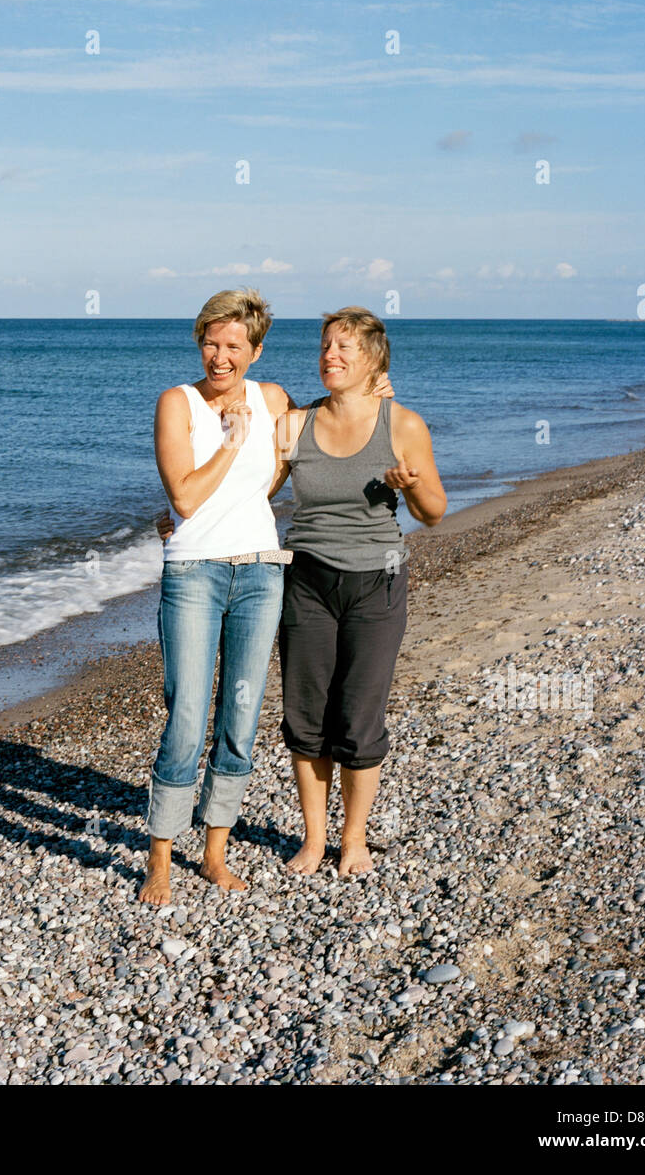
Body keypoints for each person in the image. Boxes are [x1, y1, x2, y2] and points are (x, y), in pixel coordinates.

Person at [144, 290, 394, 906]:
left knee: (240, 718)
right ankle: (160, 859)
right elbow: (184, 498)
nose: (220, 356)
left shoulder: (275, 399)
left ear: (255, 350)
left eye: (234, 345)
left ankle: (216, 854)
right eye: (211, 341)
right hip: (194, 574)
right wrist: (230, 443)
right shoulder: (176, 404)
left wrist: (370, 393)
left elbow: (317, 435)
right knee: (185, 716)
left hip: (261, 573)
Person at [275, 306, 447, 876]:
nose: (331, 355)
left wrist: (412, 484)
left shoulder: (403, 426)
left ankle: (354, 839)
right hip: (307, 580)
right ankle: (314, 838)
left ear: (373, 360)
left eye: (345, 347)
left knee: (358, 715)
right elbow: (251, 491)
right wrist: (183, 520)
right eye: (326, 345)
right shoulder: (296, 424)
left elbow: (435, 515)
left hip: (377, 582)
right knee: (306, 715)